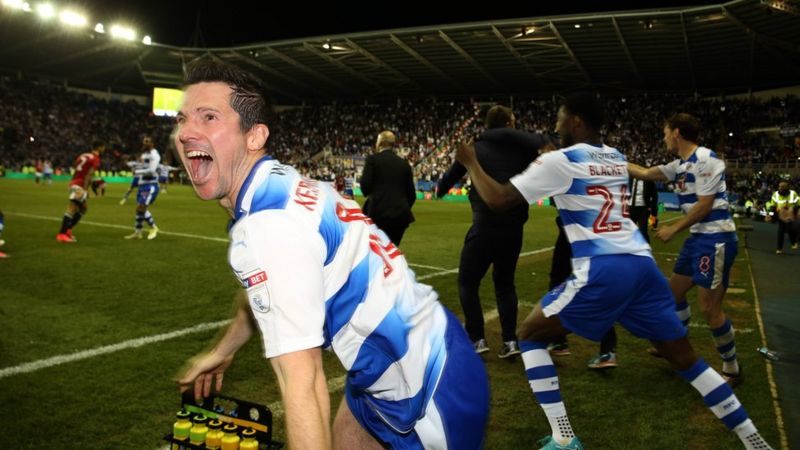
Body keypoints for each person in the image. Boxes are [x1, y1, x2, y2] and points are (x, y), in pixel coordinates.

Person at [175, 60, 489, 450]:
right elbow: (272, 288)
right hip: (395, 367)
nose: (185, 132)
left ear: (254, 136)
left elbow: (303, 382)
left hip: (430, 392)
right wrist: (223, 350)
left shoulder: (268, 226)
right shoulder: (281, 182)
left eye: (209, 117)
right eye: (183, 118)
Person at [455, 94, 772, 450]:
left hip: (603, 267)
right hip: (642, 265)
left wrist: (471, 163)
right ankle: (755, 441)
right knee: (686, 360)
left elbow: (498, 200)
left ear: (575, 121)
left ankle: (563, 436)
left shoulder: (561, 160)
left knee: (529, 335)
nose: (555, 127)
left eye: (560, 119)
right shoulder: (616, 157)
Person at [628, 113, 743, 387]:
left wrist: (673, 229)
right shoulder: (678, 166)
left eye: (665, 133)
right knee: (673, 294)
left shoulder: (706, 159)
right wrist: (608, 159)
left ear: (676, 132)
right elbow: (645, 173)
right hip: (698, 239)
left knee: (709, 308)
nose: (664, 138)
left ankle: (732, 368)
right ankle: (675, 345)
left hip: (715, 239)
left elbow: (705, 204)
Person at [436, 105, 549, 358]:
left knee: (467, 282)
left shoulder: (476, 149)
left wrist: (441, 189)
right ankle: (510, 342)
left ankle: (477, 338)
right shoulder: (525, 150)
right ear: (509, 123)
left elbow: (450, 176)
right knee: (505, 284)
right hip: (514, 229)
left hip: (484, 227)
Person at [360, 131, 416, 245]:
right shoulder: (404, 164)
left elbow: (365, 187)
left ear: (380, 143)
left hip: (377, 215)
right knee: (392, 250)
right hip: (399, 217)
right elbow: (411, 195)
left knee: (376, 250)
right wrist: (399, 208)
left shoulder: (373, 160)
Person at [56, 140, 104, 243]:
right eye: (103, 147)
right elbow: (90, 174)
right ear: (99, 147)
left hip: (75, 182)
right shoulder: (96, 159)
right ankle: (62, 234)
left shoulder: (83, 155)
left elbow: (76, 168)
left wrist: (73, 182)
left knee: (83, 208)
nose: (104, 149)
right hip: (80, 185)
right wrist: (85, 189)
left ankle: (68, 230)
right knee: (72, 208)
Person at [124, 136, 160, 240]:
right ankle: (138, 232)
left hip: (150, 185)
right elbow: (143, 167)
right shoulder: (144, 155)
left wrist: (137, 171)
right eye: (144, 141)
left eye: (147, 142)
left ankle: (154, 227)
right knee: (139, 209)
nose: (144, 143)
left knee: (141, 207)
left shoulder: (155, 155)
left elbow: (152, 170)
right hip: (142, 184)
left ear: (152, 143)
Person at [768, 181, 799, 254]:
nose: (780, 188)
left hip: (791, 214)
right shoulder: (775, 194)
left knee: (790, 229)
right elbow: (772, 206)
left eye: (782, 187)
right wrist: (770, 215)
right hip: (781, 215)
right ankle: (779, 249)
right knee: (781, 230)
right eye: (779, 187)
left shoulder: (793, 194)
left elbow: (798, 204)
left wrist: (793, 210)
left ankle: (794, 242)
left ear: (787, 187)